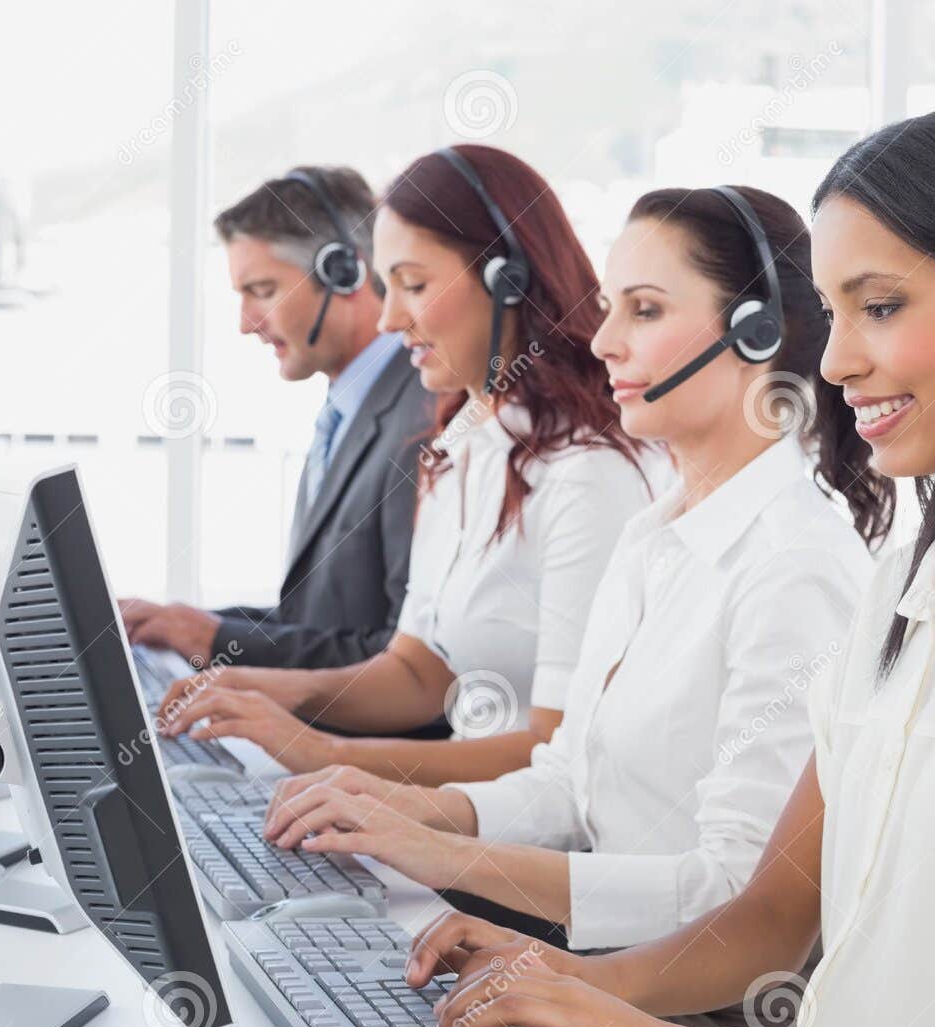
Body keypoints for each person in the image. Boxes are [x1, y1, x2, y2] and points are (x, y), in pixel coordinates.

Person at [397, 99, 935, 1027]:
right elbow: (768, 921)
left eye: (880, 307)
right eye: (834, 312)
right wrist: (573, 985)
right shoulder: (902, 590)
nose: (837, 361)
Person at [259, 185, 892, 965]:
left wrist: (447, 858)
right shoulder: (650, 537)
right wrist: (411, 810)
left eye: (646, 310)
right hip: (600, 971)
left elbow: (738, 894)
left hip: (693, 1023)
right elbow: (568, 783)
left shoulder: (796, 569)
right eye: (608, 307)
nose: (603, 342)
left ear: (756, 332)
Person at [156, 145, 653, 786]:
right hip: (463, 829)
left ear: (510, 279)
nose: (391, 318)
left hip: (525, 849)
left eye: (413, 285)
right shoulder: (458, 445)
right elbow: (419, 671)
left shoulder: (587, 471)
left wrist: (323, 755)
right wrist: (251, 687)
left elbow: (559, 751)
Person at [121, 165, 432, 671]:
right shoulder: (346, 410)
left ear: (344, 272)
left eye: (262, 291)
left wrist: (217, 639)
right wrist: (186, 625)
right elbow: (319, 619)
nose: (246, 325)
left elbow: (405, 661)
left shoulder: (422, 417)